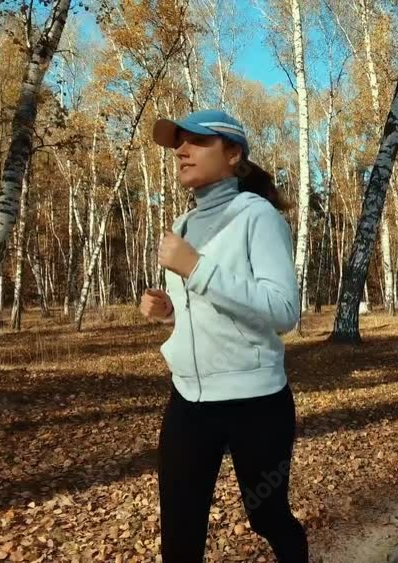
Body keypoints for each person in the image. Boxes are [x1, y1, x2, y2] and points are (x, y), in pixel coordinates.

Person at [137, 108, 309, 563]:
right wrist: (168, 311)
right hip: (188, 403)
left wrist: (195, 267)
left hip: (255, 402)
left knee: (267, 517)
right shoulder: (181, 226)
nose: (181, 150)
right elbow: (209, 313)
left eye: (196, 141)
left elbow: (284, 311)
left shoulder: (258, 218)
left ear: (233, 154)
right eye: (178, 143)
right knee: (179, 534)